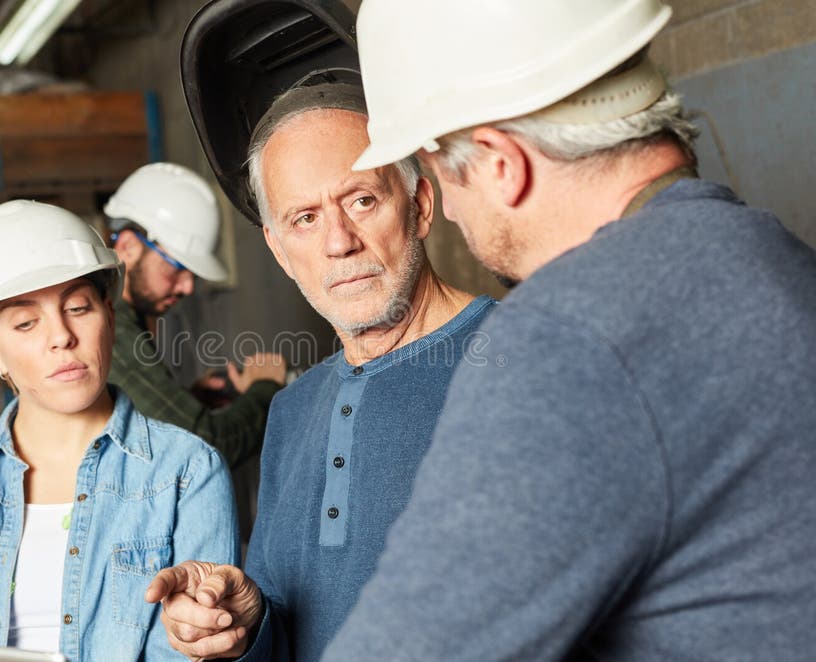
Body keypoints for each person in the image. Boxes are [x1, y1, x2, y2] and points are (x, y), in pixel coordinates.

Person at [322, 1, 816, 660]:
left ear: (500, 163)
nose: (450, 215)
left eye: (437, 170)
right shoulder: (777, 257)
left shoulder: (568, 337)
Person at [145, 82, 499, 661]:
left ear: (421, 205)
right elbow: (291, 615)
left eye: (361, 200)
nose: (339, 242)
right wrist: (246, 621)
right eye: (305, 218)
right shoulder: (292, 408)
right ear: (280, 251)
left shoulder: (523, 361)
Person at [0, 200, 239, 661]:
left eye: (77, 307)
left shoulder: (187, 472)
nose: (61, 337)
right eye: (26, 322)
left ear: (109, 315)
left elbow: (197, 652)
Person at [104, 162, 287, 469]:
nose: (187, 287)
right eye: (176, 267)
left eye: (192, 274)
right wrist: (265, 388)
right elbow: (204, 447)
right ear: (128, 248)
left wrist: (186, 402)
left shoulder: (124, 324)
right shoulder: (112, 332)